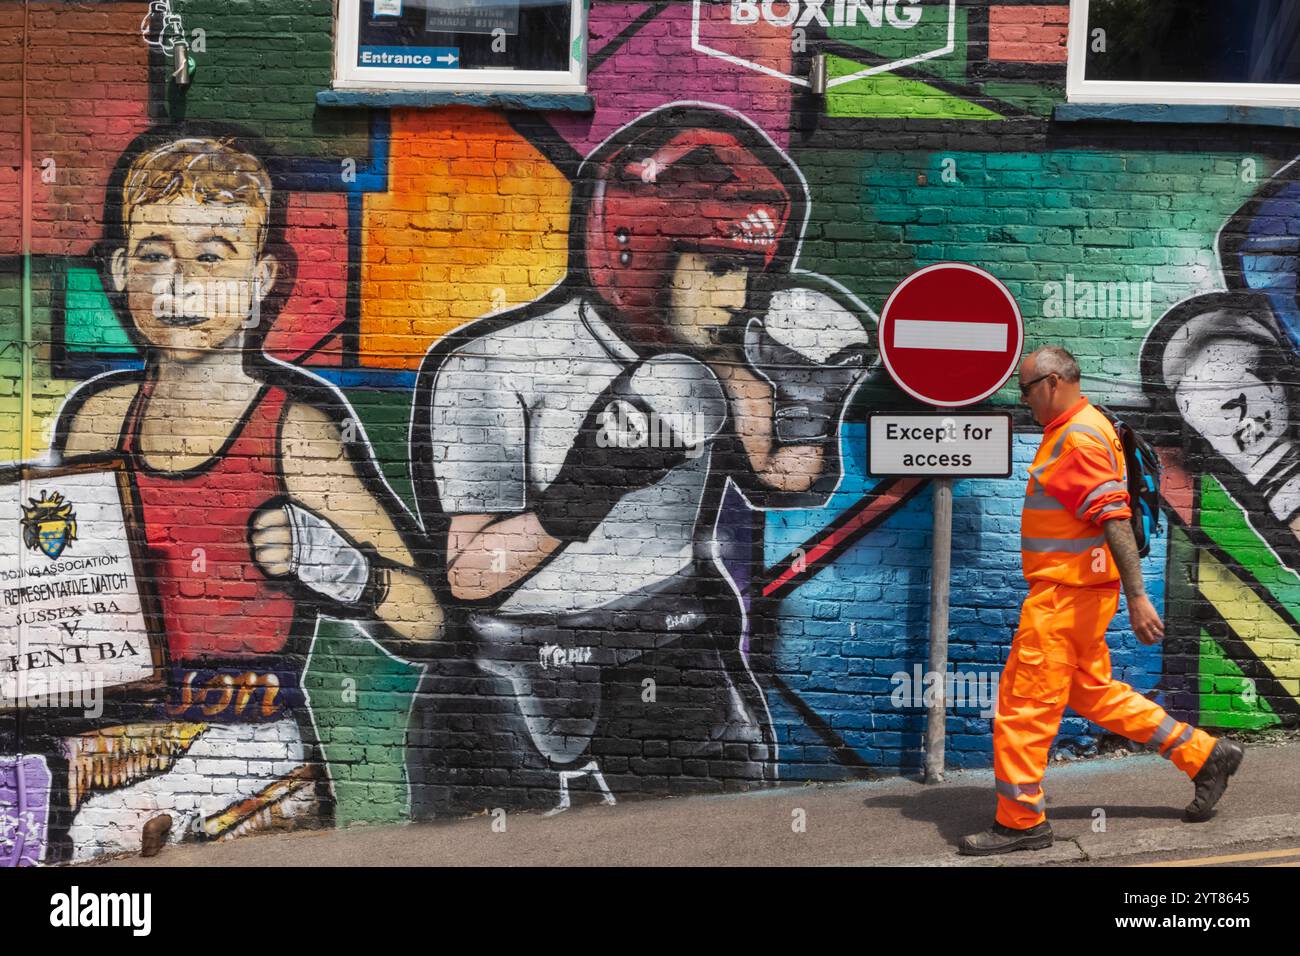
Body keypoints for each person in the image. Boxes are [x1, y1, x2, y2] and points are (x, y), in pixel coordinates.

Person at [407, 103, 872, 815]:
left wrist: (812, 402)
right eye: (717, 268)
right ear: (639, 253)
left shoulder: (721, 364)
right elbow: (471, 575)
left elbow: (784, 478)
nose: (739, 297)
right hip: (509, 665)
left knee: (727, 844)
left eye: (752, 272)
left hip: (674, 647)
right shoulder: (495, 365)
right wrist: (588, 486)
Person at [38, 129, 442, 860]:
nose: (179, 283)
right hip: (105, 759)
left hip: (250, 763)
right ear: (124, 270)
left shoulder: (293, 433)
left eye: (212, 256)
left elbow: (429, 621)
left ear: (260, 280)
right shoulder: (99, 421)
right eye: (156, 254)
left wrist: (353, 573)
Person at [960, 345, 1244, 856]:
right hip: (1080, 596)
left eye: (1025, 390)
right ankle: (1204, 755)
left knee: (1022, 709)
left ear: (1050, 382)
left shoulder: (1078, 438)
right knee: (1093, 694)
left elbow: (1113, 517)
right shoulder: (1084, 427)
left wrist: (1139, 596)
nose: (1023, 402)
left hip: (1064, 599)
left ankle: (1022, 823)